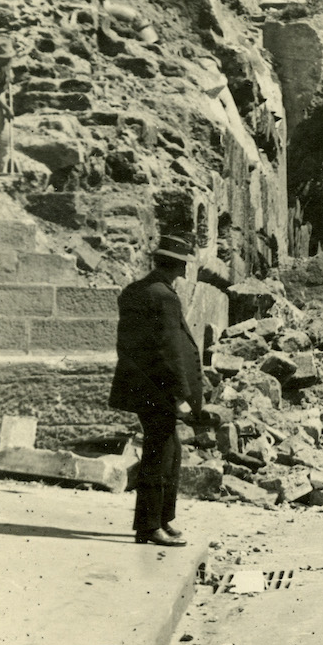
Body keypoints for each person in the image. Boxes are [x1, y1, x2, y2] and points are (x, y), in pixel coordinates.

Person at [108, 233, 204, 547]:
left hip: (144, 386)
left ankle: (162, 518)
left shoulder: (135, 291)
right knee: (159, 455)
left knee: (170, 451)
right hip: (160, 390)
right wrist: (179, 396)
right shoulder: (163, 296)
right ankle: (149, 527)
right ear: (180, 266)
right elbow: (168, 351)